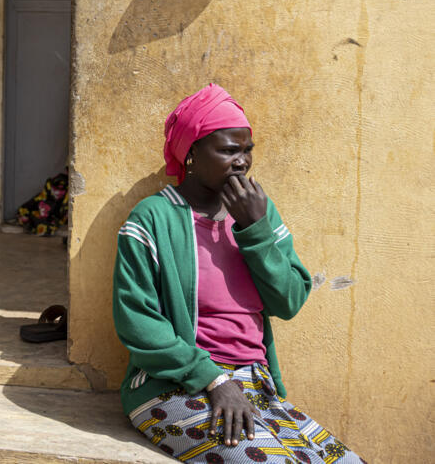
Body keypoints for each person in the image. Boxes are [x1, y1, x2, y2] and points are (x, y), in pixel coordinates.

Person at [113, 84, 363, 463]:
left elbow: (289, 301)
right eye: (229, 150)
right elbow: (137, 322)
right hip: (176, 388)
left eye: (247, 150)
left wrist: (255, 230)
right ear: (191, 152)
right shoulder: (153, 218)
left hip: (256, 386)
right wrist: (214, 380)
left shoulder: (259, 212)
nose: (242, 162)